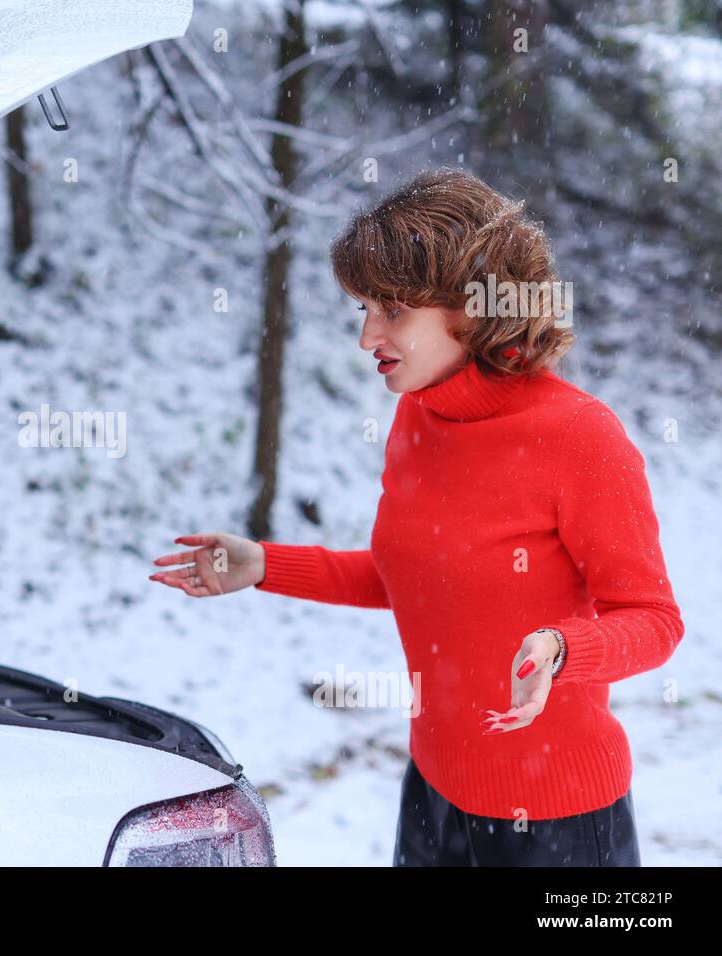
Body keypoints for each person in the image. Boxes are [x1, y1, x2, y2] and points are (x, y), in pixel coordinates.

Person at [148, 167, 684, 866]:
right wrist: (266, 566)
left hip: (557, 820)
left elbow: (654, 620)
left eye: (393, 310)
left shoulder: (580, 437)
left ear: (474, 307)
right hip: (433, 795)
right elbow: (414, 573)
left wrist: (561, 649)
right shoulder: (416, 418)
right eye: (363, 308)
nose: (368, 335)